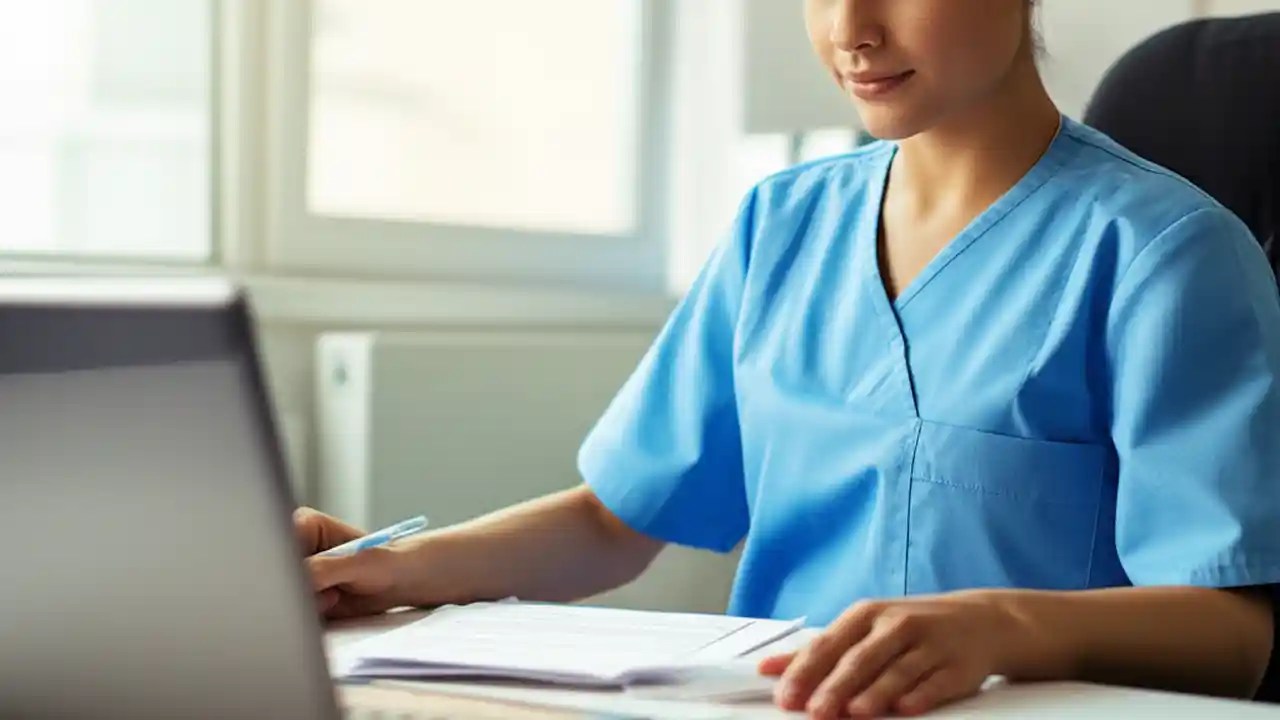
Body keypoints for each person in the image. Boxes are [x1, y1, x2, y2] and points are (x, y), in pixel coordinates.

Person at [297, 1, 1280, 716]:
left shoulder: (1163, 254)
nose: (849, 27)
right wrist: (394, 569)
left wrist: (1004, 629)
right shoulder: (781, 221)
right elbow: (614, 520)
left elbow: (1233, 637)